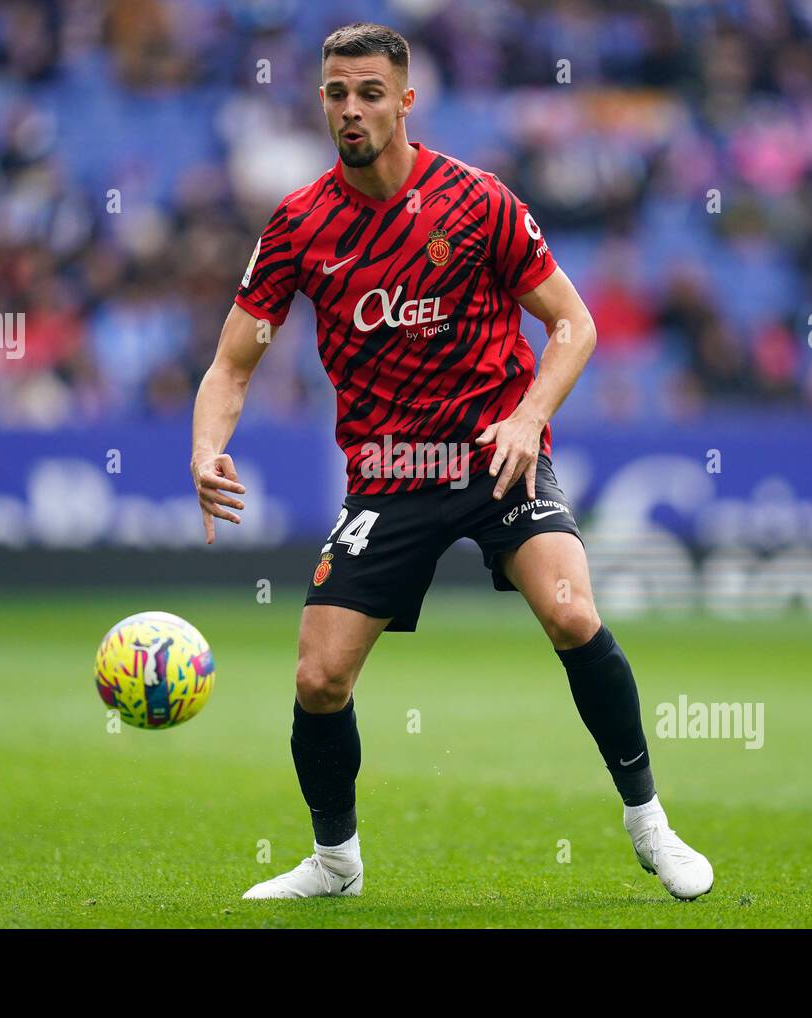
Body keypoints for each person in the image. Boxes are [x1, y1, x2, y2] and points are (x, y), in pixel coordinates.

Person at [189, 22, 712, 902]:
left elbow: (573, 326)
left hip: (495, 456)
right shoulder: (299, 223)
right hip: (389, 473)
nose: (351, 109)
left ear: (404, 101)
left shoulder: (476, 201)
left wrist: (529, 416)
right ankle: (335, 862)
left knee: (572, 611)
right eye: (335, 93)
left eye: (368, 93)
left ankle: (650, 824)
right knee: (320, 678)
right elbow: (231, 363)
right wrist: (208, 447)